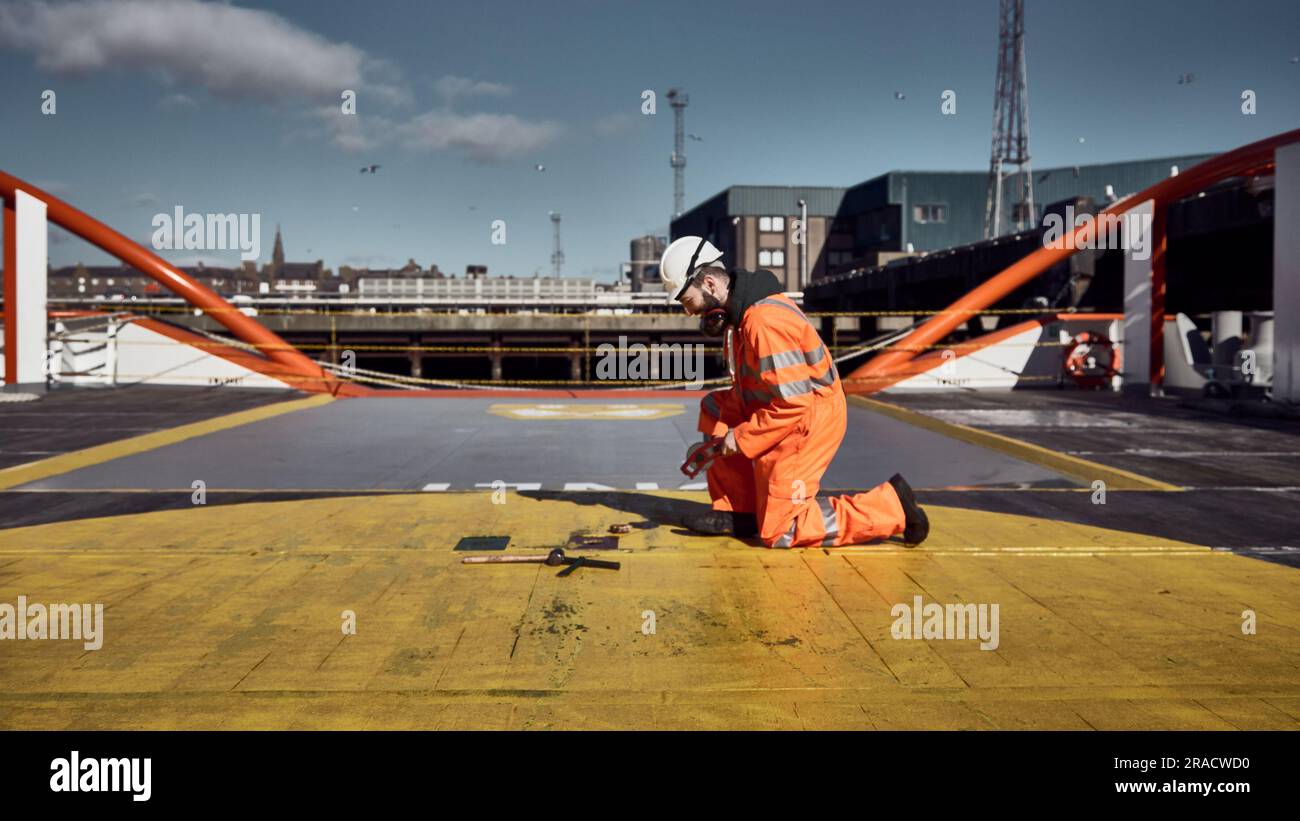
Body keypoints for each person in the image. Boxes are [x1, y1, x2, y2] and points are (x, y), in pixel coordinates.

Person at [661, 236, 929, 548]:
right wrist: (721, 440)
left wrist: (741, 438)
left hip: (809, 420)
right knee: (715, 407)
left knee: (783, 529)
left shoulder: (763, 322)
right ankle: (739, 511)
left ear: (708, 283)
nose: (689, 312)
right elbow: (752, 391)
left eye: (686, 300)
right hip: (783, 410)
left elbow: (792, 402)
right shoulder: (742, 320)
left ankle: (892, 507)